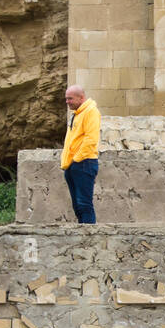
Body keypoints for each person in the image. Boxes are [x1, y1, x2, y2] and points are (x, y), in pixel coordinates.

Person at [61, 85, 100, 224]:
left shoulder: (90, 111)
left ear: (81, 97)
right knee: (77, 206)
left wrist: (77, 160)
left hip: (84, 163)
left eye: (70, 98)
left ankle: (89, 238)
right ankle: (82, 237)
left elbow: (91, 139)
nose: (67, 102)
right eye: (66, 99)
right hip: (73, 165)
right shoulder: (77, 114)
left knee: (84, 204)